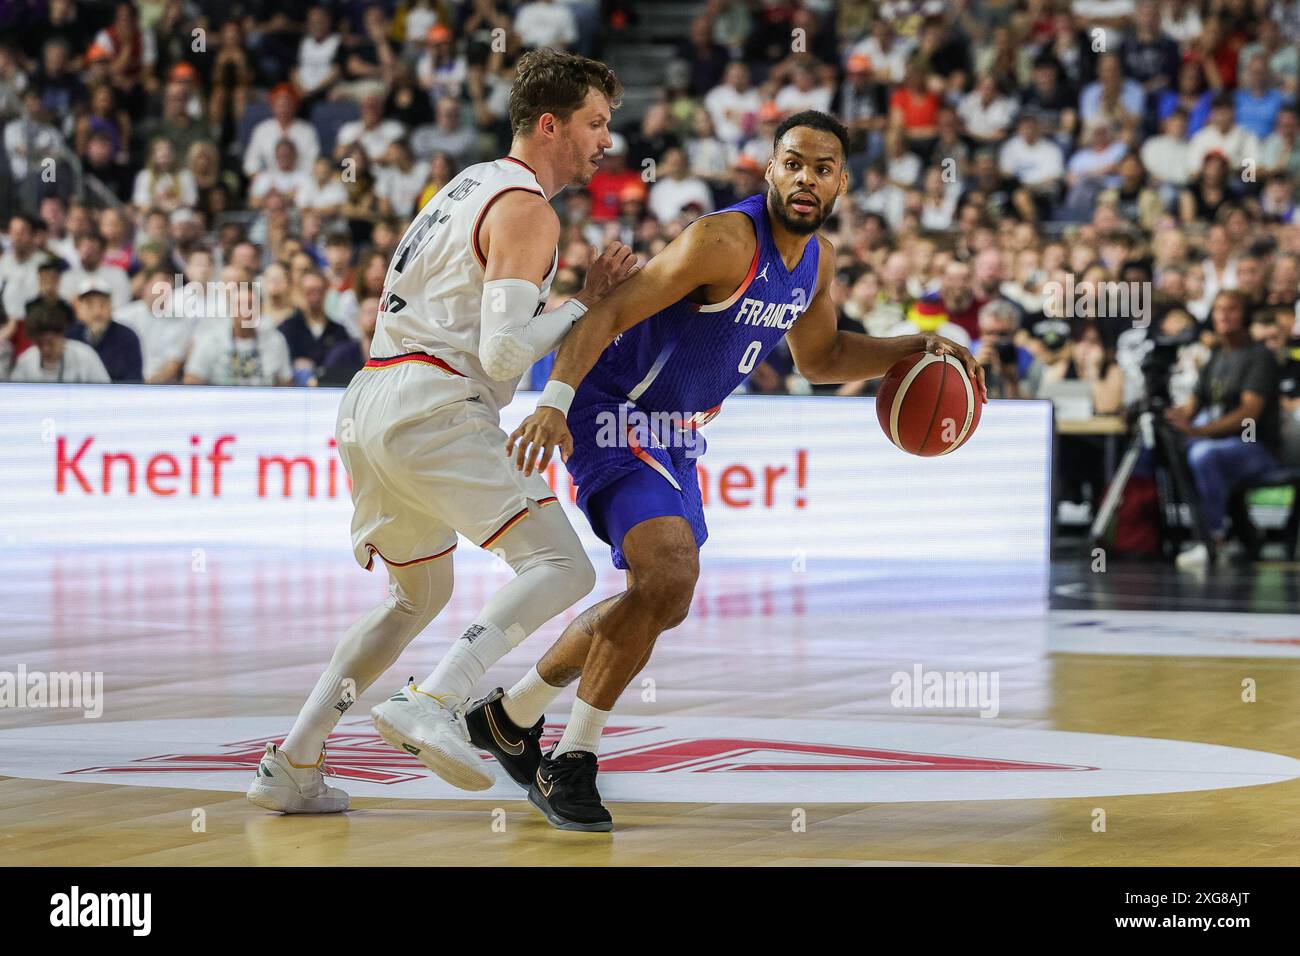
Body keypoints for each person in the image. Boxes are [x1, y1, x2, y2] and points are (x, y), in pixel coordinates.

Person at [500, 111, 985, 831]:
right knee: (668, 575)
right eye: (793, 162)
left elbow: (819, 360)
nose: (805, 178)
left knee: (660, 598)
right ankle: (571, 759)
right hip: (612, 408)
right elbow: (604, 315)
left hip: (677, 433)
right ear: (770, 169)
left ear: (842, 184)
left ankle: (510, 717)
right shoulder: (722, 239)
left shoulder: (815, 262)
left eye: (822, 168)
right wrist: (554, 403)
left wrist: (916, 349)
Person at [246, 49, 636, 815]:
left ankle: (293, 763)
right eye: (595, 123)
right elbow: (500, 350)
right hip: (435, 401)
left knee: (413, 595)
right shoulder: (528, 207)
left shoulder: (462, 187)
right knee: (562, 565)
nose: (606, 141)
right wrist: (588, 304)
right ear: (550, 124)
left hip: (370, 399)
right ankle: (438, 698)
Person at [1166, 290, 1282, 567]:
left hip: (1257, 447)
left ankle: (1213, 539)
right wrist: (1168, 414)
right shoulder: (1216, 356)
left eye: (1231, 310)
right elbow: (1191, 407)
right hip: (1218, 441)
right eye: (1218, 310)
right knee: (1163, 449)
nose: (1223, 316)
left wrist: (1200, 432)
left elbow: (1248, 415)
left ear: (1245, 317)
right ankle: (1156, 537)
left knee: (1204, 454)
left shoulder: (1258, 356)